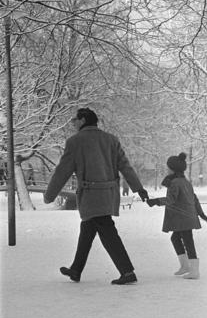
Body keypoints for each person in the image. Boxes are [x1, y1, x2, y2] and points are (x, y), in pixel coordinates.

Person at [43, 108, 148, 285]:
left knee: (107, 231)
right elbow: (125, 166)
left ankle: (127, 271)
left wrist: (49, 195)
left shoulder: (75, 142)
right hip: (108, 194)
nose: (73, 123)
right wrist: (138, 188)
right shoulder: (111, 140)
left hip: (91, 195)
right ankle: (76, 270)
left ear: (83, 120)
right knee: (88, 229)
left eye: (75, 120)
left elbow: (63, 171)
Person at [147, 152, 207, 279]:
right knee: (176, 239)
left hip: (183, 219)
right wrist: (202, 214)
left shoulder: (175, 182)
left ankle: (194, 271)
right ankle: (185, 266)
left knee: (188, 241)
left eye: (168, 168)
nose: (167, 169)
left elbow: (171, 200)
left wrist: (155, 201)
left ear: (173, 169)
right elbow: (195, 199)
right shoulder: (185, 181)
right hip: (185, 218)